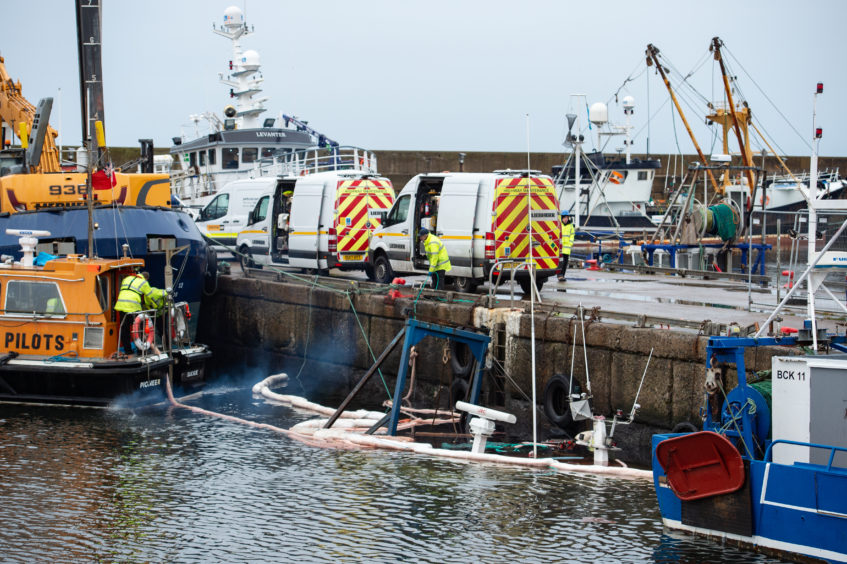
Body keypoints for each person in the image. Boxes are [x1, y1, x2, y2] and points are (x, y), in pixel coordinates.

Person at [114, 270, 161, 355]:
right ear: (146, 279)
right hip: (133, 307)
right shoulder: (144, 283)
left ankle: (128, 351)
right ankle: (141, 351)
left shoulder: (127, 278)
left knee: (124, 330)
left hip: (120, 306)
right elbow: (151, 297)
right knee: (140, 329)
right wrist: (156, 306)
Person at [559, 210, 574, 281]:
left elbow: (572, 236)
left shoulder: (570, 226)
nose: (566, 219)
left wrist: (570, 243)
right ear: (562, 218)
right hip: (560, 247)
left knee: (565, 263)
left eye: (567, 217)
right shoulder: (559, 225)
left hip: (567, 247)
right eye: (564, 217)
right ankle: (559, 275)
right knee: (560, 262)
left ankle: (562, 275)